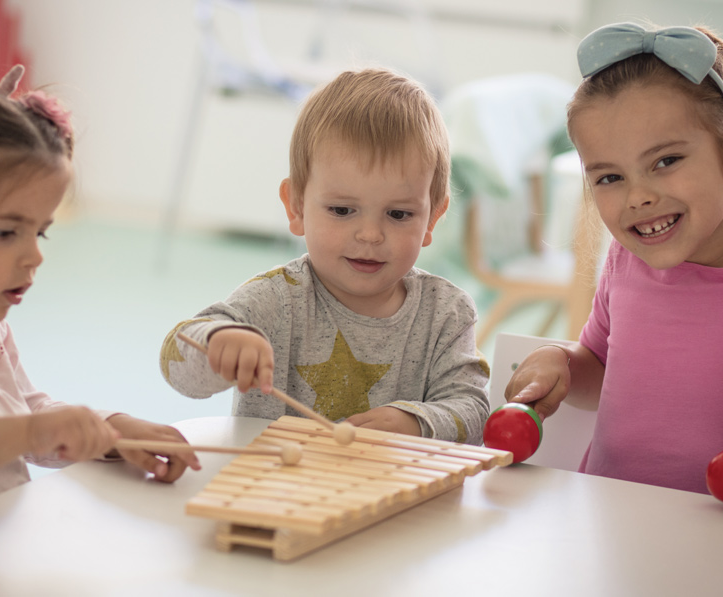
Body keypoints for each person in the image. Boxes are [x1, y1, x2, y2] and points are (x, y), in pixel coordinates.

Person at [0, 56, 199, 510]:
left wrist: (110, 430)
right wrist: (30, 432)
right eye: (5, 232)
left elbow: (23, 410)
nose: (35, 256)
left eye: (41, 232)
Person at [160, 67, 489, 443]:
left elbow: (474, 411)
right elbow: (176, 359)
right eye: (342, 210)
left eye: (399, 214)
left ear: (433, 218)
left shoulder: (446, 313)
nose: (370, 234)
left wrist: (417, 423)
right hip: (274, 477)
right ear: (296, 207)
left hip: (393, 481)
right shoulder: (276, 300)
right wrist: (218, 340)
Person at [505, 22, 723, 493]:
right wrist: (560, 361)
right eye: (609, 178)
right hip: (608, 515)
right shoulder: (625, 262)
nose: (638, 196)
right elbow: (601, 368)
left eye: (666, 161)